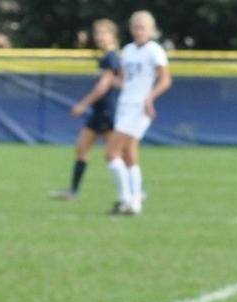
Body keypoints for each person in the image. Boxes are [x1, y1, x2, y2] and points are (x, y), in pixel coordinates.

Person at [104, 10, 170, 216]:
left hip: (138, 108)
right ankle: (135, 204)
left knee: (111, 153)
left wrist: (150, 98)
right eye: (136, 27)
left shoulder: (155, 51)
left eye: (143, 28)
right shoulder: (128, 50)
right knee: (129, 155)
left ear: (151, 30)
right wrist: (108, 79)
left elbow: (165, 80)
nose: (139, 31)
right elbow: (125, 80)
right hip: (124, 104)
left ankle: (126, 200)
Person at [50, 19, 122, 202]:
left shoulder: (111, 57)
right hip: (99, 112)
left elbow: (102, 87)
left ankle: (133, 192)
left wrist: (83, 104)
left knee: (113, 155)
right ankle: (73, 191)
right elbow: (120, 82)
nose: (99, 37)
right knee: (82, 149)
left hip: (107, 111)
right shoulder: (106, 57)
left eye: (103, 33)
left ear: (113, 35)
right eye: (97, 33)